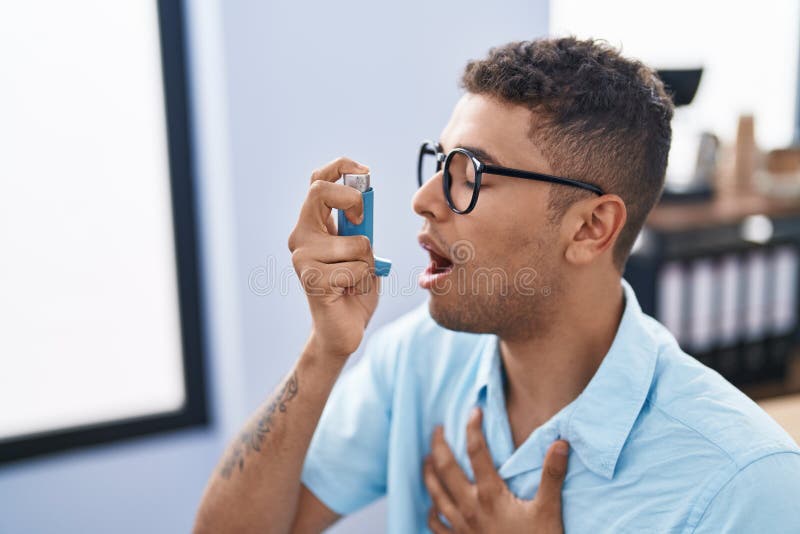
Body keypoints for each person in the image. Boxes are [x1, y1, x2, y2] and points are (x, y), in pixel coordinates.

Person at [194, 37, 800, 533]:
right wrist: (324, 351)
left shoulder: (749, 485)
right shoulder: (416, 361)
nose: (424, 200)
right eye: (440, 163)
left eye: (470, 174)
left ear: (591, 228)